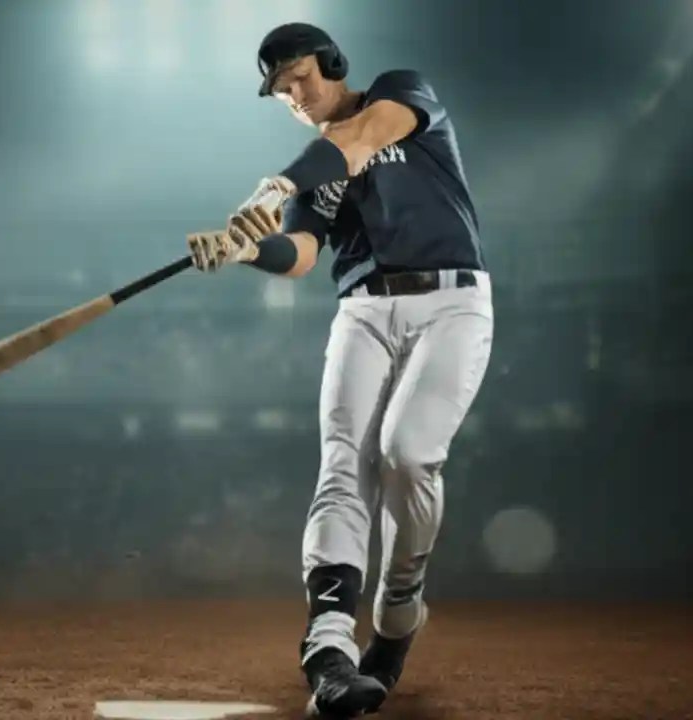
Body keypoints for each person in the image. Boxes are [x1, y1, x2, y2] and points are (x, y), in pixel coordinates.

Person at [185, 21, 494, 719]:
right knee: (344, 467)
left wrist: (270, 184)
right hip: (362, 311)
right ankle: (328, 649)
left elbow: (356, 141)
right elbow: (298, 253)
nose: (294, 94)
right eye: (280, 88)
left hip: (452, 302)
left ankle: (398, 608)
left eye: (302, 76)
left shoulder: (400, 95)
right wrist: (243, 251)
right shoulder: (313, 172)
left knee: (409, 456)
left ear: (335, 63)